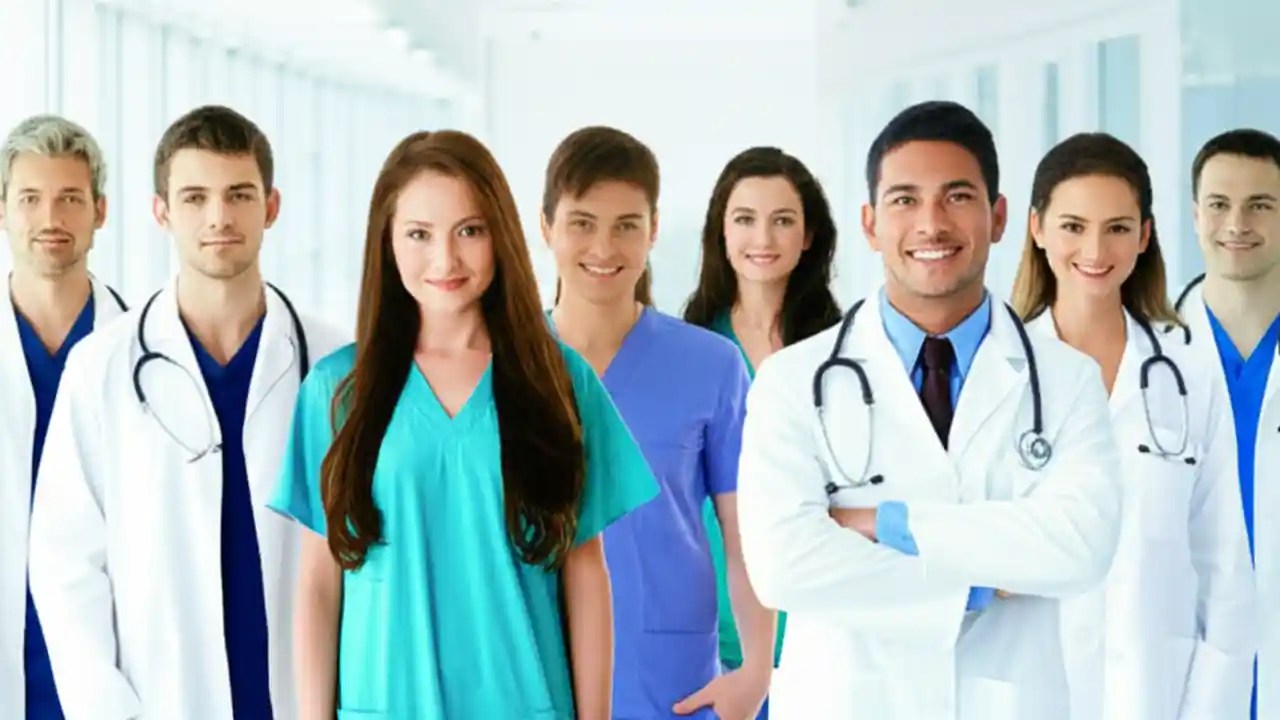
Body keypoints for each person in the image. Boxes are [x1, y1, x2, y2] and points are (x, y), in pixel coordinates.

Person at [734, 100, 1124, 719]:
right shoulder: (791, 382)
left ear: (998, 218)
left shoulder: (1067, 381)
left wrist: (882, 522)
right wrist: (976, 580)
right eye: (905, 200)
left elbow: (1080, 547)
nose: (931, 224)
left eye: (958, 196)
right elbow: (783, 567)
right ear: (870, 223)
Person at [271, 129, 658, 719]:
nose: (445, 260)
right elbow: (320, 583)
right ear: (387, 243)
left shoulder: (560, 382)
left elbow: (584, 572)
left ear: (500, 235)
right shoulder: (336, 391)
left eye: (469, 231)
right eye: (419, 235)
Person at [26, 104, 347, 719]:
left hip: (304, 696)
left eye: (239, 194)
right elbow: (65, 566)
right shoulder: (102, 369)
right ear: (161, 211)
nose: (219, 217)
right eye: (195, 197)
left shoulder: (335, 363)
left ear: (271, 207)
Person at [1010, 131, 1256, 719]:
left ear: (1144, 235)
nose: (1096, 248)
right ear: (1037, 228)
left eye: (1118, 227)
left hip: (1154, 696)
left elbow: (1225, 569)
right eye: (1073, 226)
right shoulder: (999, 373)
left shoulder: (1189, 371)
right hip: (1025, 692)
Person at [542, 126, 774, 720]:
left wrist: (755, 671)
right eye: (583, 222)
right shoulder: (505, 367)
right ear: (546, 228)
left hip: (674, 689)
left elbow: (746, 535)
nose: (605, 247)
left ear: (653, 230)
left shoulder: (710, 365)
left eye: (627, 225)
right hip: (539, 677)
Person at [681, 145, 843, 710]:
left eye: (783, 221)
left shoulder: (847, 352)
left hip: (816, 622)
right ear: (720, 233)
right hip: (710, 626)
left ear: (809, 236)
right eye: (745, 219)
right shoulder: (688, 350)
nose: (763, 239)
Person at [0, 115, 128, 720]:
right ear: (2, 210)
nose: (50, 218)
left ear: (100, 212)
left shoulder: (140, 355)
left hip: (114, 663)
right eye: (30, 199)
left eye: (70, 199)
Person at [1172, 127, 1280, 720]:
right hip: (1182, 680)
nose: (1236, 223)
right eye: (1219, 205)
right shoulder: (1151, 363)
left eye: (1260, 205)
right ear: (1195, 216)